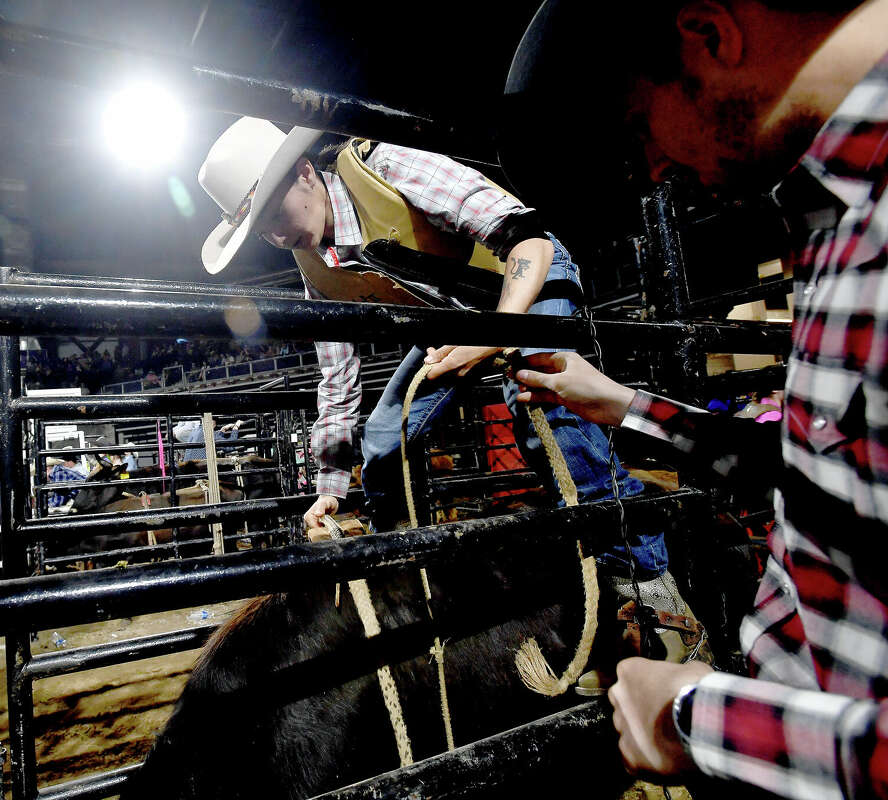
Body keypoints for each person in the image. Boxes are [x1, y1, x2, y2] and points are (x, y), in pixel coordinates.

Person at [504, 1, 888, 796]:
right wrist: (626, 405)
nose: (651, 169)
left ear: (710, 34)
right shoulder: (835, 215)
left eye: (641, 126)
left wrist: (698, 720)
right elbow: (825, 471)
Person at [197, 116, 686, 625]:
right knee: (386, 439)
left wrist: (495, 332)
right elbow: (337, 378)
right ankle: (401, 582)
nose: (274, 235)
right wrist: (330, 487)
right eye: (259, 229)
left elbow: (529, 239)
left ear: (303, 171)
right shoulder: (315, 268)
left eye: (271, 211)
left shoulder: (386, 163)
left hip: (525, 281)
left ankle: (653, 596)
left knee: (553, 422)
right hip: (453, 318)